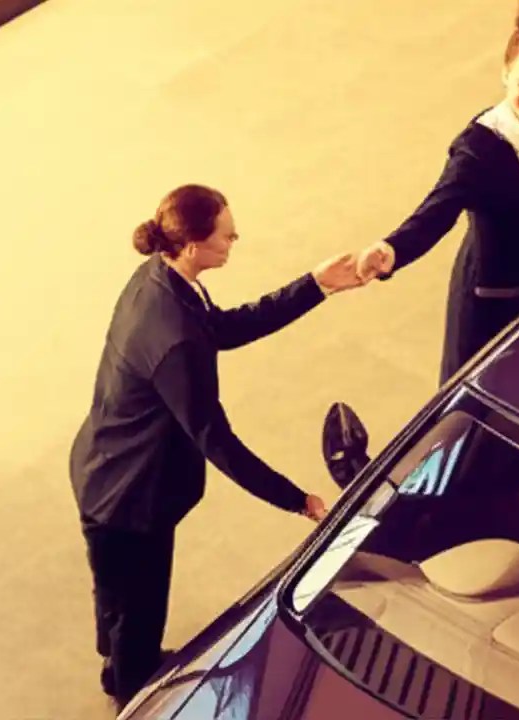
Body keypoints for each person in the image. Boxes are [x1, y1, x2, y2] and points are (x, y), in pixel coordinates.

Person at [68, 183, 362, 707]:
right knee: (139, 609)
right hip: (133, 498)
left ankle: (117, 669)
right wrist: (297, 499)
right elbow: (217, 441)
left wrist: (316, 285)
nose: (235, 239)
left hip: (104, 470)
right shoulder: (175, 336)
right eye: (226, 235)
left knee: (115, 593)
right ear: (192, 245)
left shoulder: (162, 279)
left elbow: (223, 328)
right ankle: (132, 692)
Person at [354, 0, 519, 384]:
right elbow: (437, 212)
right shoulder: (478, 149)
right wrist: (392, 249)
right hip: (489, 304)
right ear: (505, 73)